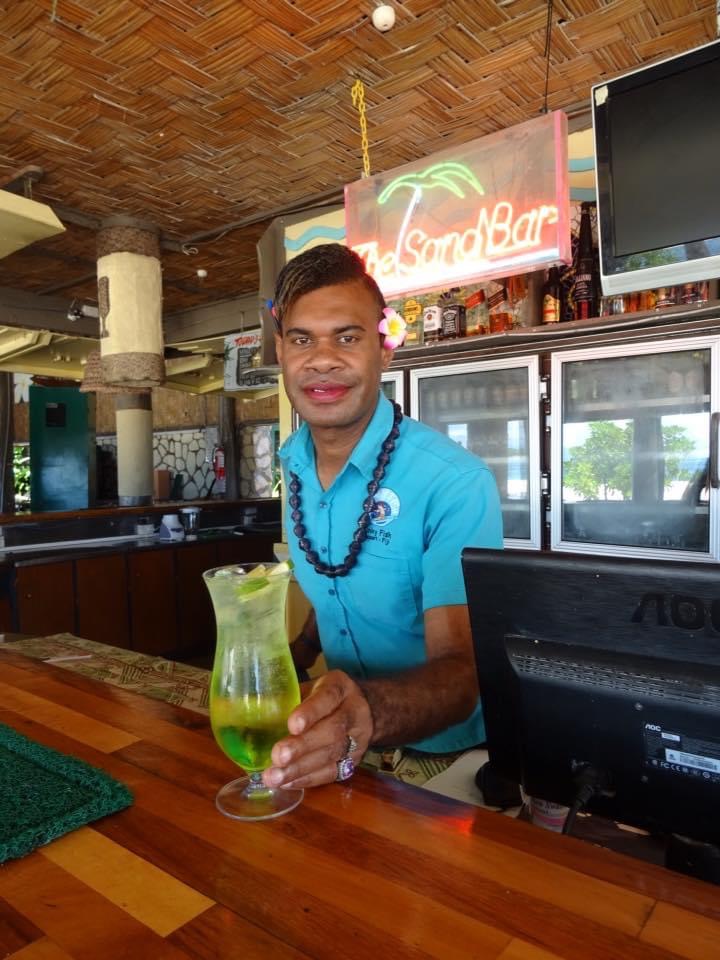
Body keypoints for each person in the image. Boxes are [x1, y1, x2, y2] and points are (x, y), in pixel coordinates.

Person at [263, 244, 502, 792]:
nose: (322, 360)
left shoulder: (454, 483)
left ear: (384, 349)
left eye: (347, 337)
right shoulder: (293, 462)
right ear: (281, 351)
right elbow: (337, 582)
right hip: (335, 740)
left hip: (446, 758)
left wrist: (362, 712)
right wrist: (297, 658)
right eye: (302, 339)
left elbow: (462, 673)